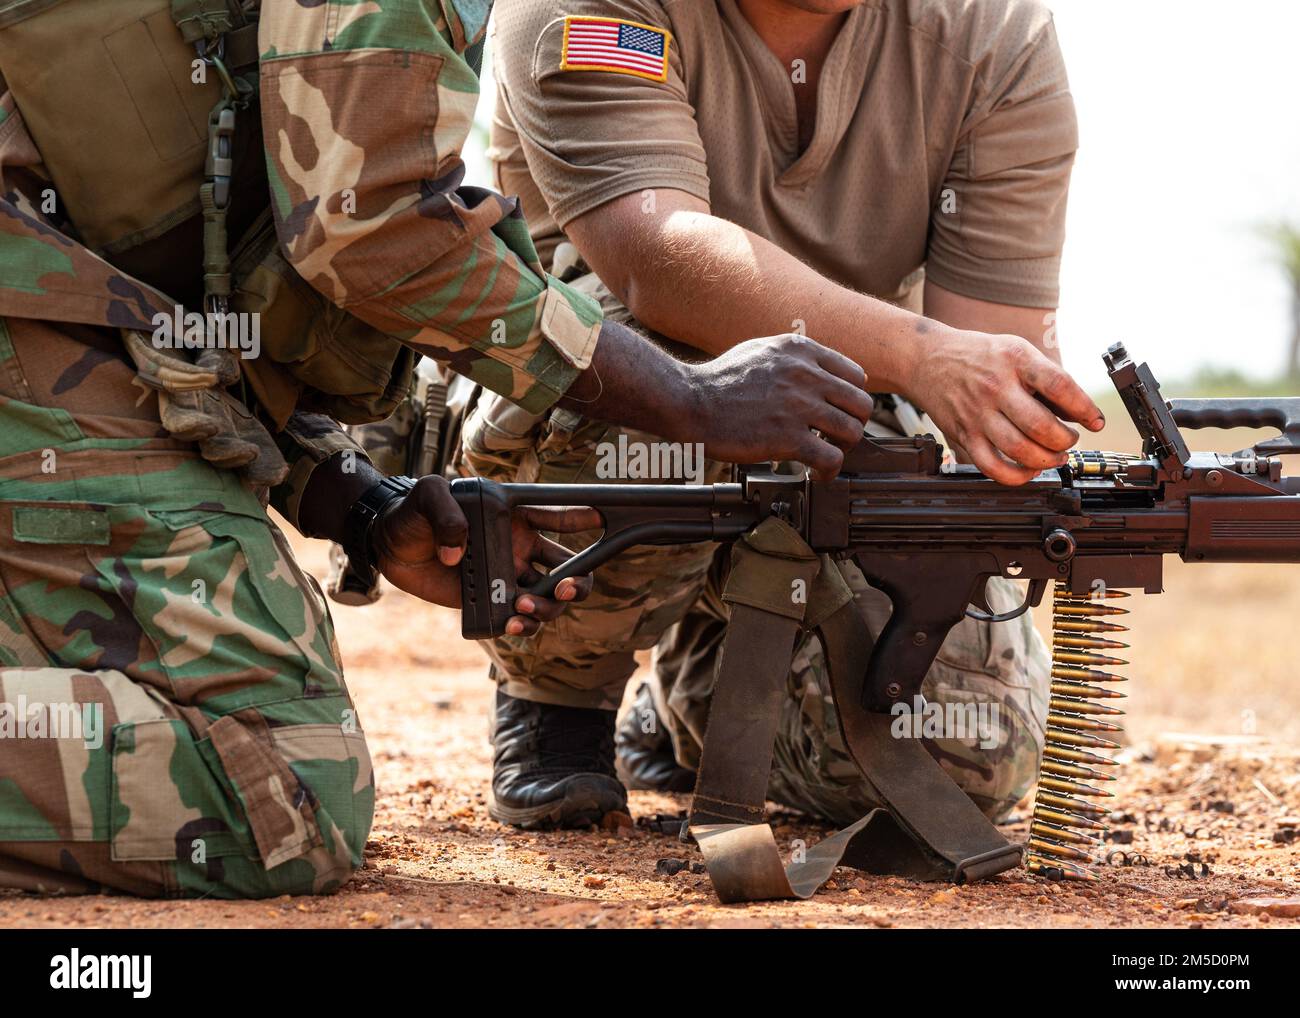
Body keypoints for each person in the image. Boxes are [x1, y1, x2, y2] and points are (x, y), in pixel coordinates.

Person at [0, 0, 870, 897]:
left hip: (56, 316)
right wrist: (688, 398)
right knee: (277, 785)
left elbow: (183, 280)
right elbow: (368, 227)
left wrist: (356, 501)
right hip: (30, 325)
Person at [470, 0, 1105, 829]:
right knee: (665, 368)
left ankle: (697, 692)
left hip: (846, 431)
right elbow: (657, 258)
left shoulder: (995, 34)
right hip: (613, 397)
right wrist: (922, 356)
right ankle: (559, 692)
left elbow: (986, 360)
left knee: (963, 755)